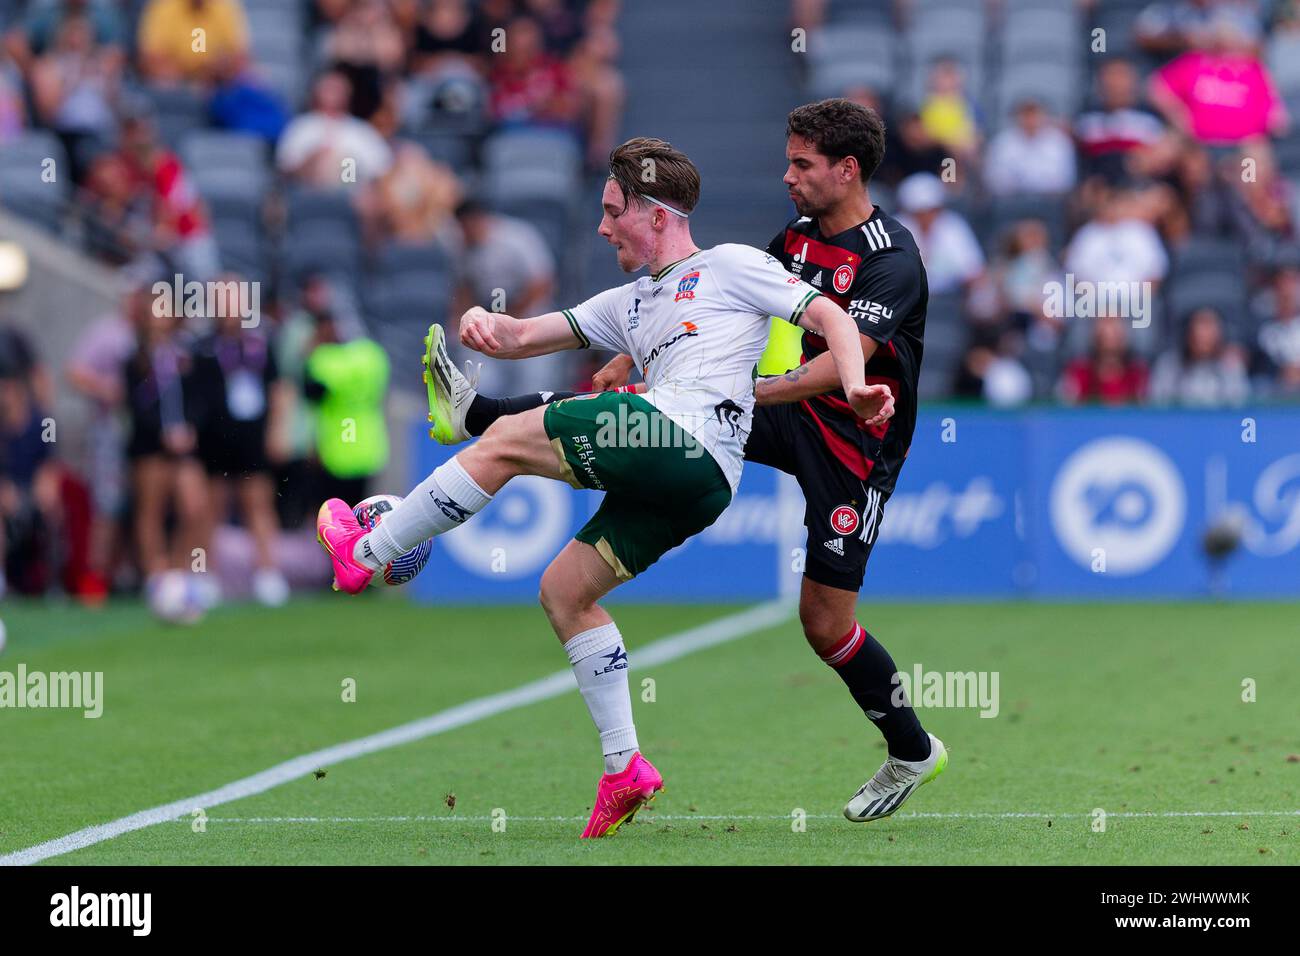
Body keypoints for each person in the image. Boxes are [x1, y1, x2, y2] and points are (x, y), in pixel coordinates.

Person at [316, 136, 893, 838]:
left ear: (655, 214)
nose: (601, 225)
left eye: (613, 210)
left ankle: (366, 553)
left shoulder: (733, 264)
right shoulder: (629, 302)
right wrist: (483, 326)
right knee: (564, 591)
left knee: (501, 442)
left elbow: (831, 315)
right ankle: (624, 768)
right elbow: (525, 334)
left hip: (679, 437)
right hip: (703, 484)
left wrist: (859, 383)